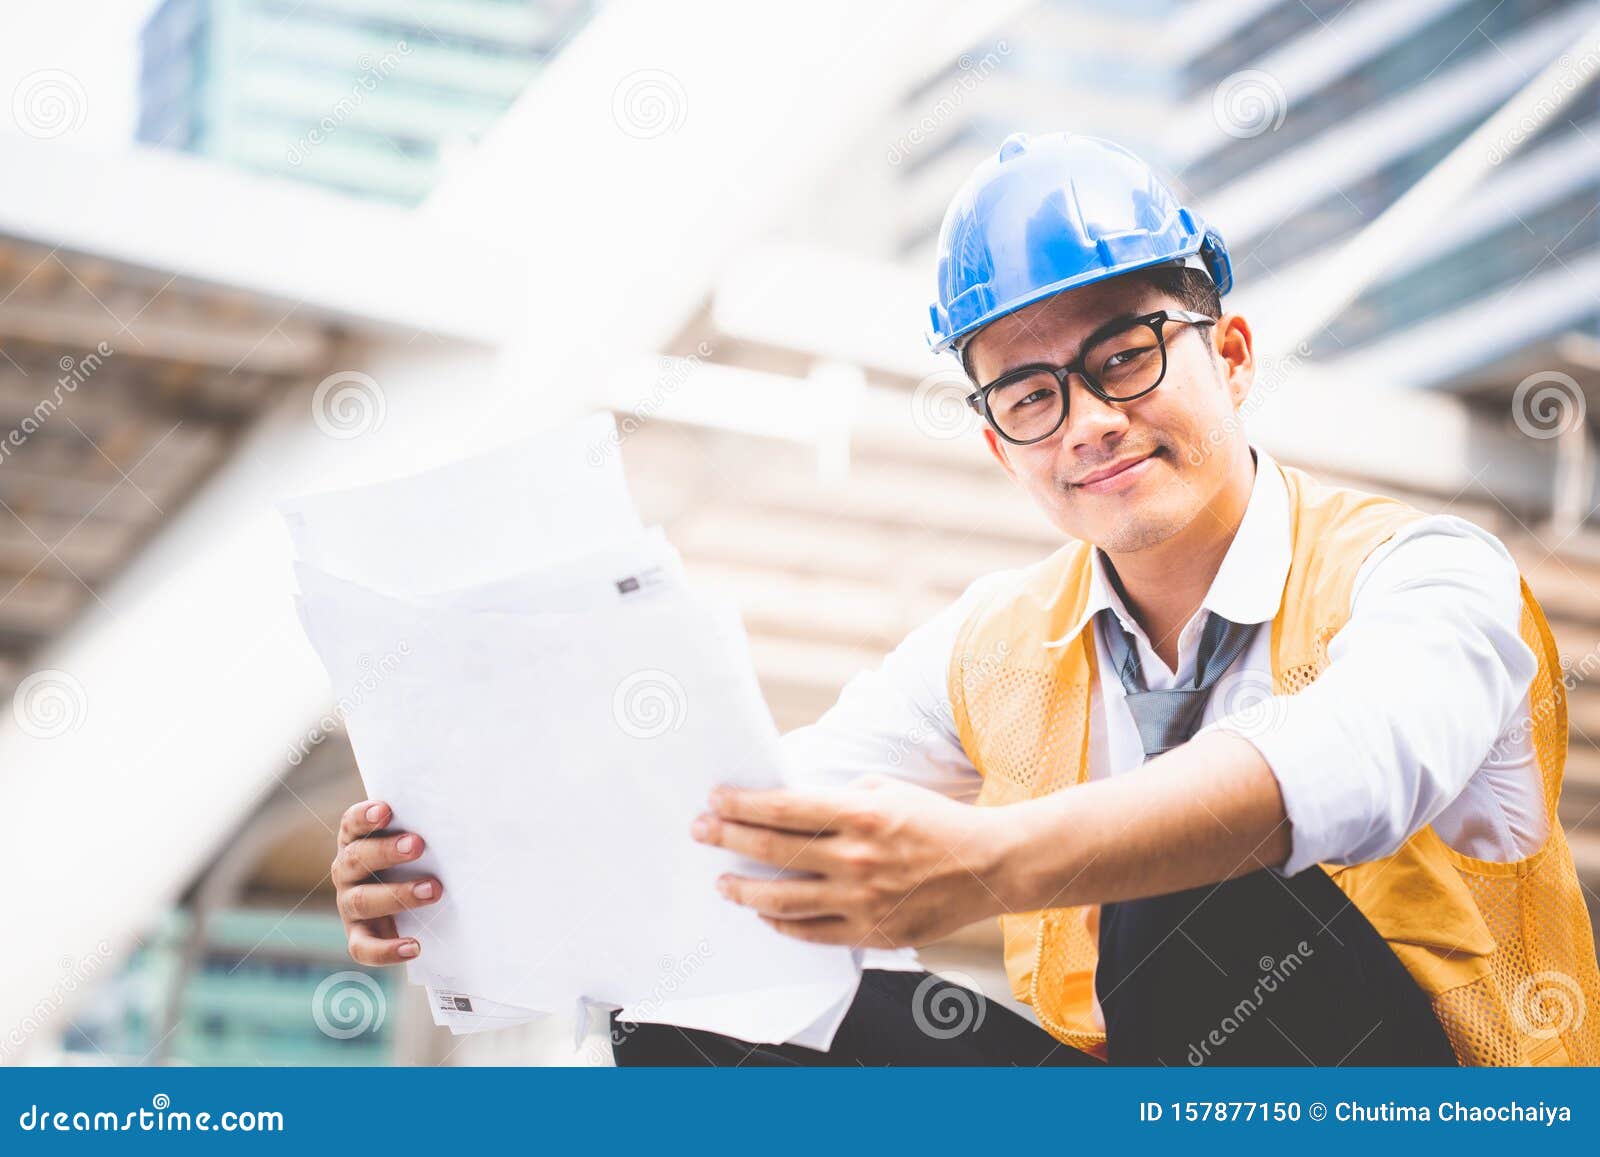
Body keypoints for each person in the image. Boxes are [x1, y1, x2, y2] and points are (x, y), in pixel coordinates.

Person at [329, 131, 1600, 1066]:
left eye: (1125, 353)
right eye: (1031, 393)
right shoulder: (995, 644)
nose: (1089, 420)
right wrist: (449, 869)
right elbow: (731, 817)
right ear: (1000, 442)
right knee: (695, 1001)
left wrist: (992, 862)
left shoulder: (1427, 572)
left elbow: (1349, 757)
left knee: (1183, 863)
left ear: (1231, 354)